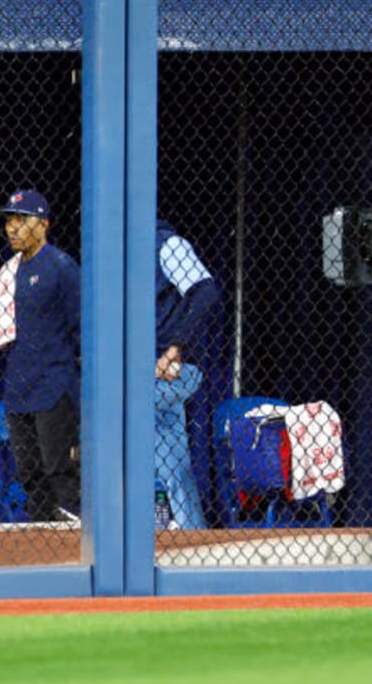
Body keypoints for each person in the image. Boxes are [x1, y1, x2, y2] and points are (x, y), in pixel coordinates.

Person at [0, 189, 82, 524]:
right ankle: (43, 550)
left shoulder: (61, 266)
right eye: (9, 221)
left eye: (22, 220)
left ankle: (75, 545)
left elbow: (82, 330)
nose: (12, 228)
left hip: (54, 387)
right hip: (18, 388)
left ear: (43, 224)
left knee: (59, 472)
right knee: (29, 475)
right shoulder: (8, 272)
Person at [153, 218, 225, 530]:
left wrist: (175, 347)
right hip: (138, 368)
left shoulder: (165, 244)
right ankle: (188, 534)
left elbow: (205, 290)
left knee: (153, 446)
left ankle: (177, 531)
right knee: (168, 457)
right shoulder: (116, 253)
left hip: (169, 367)